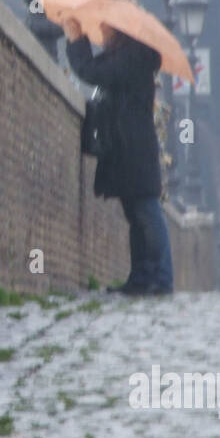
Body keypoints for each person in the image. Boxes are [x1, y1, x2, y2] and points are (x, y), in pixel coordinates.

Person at [63, 17, 174, 295]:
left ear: (120, 30)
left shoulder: (132, 57)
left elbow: (91, 72)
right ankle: (141, 278)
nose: (100, 30)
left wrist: (77, 40)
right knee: (136, 215)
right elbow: (97, 71)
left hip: (134, 148)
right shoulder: (128, 56)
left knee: (146, 211)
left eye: (105, 27)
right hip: (129, 148)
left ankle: (160, 278)